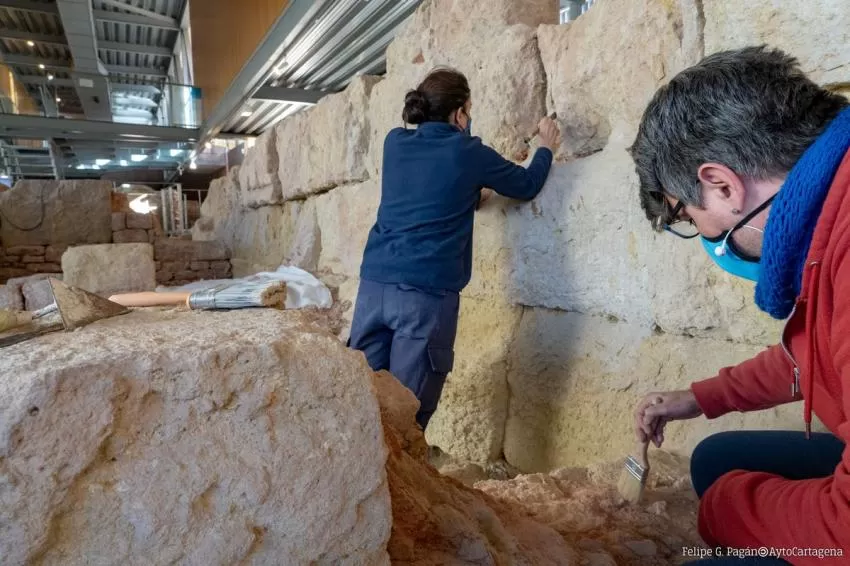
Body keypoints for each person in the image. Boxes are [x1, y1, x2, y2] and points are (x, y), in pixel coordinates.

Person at [629, 45, 850, 565]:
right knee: (716, 459)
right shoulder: (829, 210)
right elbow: (811, 353)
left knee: (719, 511)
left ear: (722, 184)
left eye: (687, 216)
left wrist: (729, 512)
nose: (703, 235)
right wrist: (698, 398)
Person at [349, 67, 560, 429]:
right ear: (460, 113)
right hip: (424, 299)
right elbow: (526, 184)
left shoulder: (394, 143)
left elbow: (421, 191)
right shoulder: (468, 151)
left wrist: (467, 194)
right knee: (407, 417)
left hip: (373, 289)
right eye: (469, 111)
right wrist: (546, 148)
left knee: (362, 404)